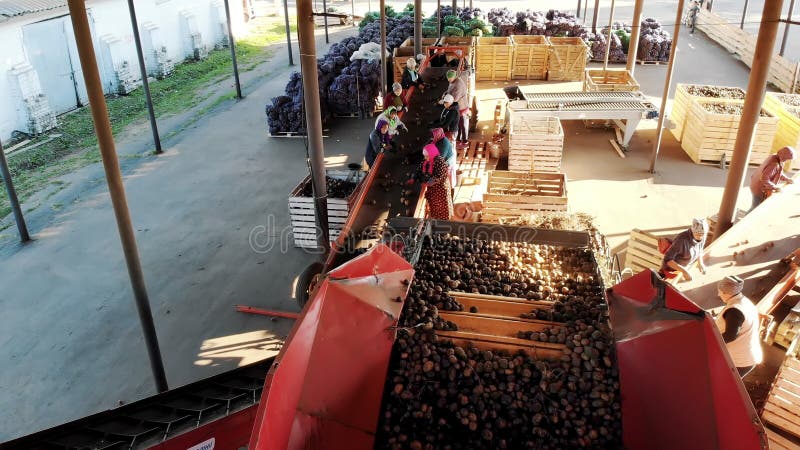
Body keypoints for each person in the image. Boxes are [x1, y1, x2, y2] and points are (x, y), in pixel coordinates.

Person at [715, 276, 763, 377]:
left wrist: (711, 342)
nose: (718, 294)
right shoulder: (744, 301)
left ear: (726, 292)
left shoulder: (735, 311)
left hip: (739, 362)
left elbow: (730, 335)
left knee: (722, 385)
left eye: (720, 291)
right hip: (747, 355)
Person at [407, 144, 453, 220]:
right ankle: (436, 219)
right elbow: (419, 170)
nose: (425, 158)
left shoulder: (440, 161)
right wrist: (413, 178)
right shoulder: (426, 161)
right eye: (424, 156)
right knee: (434, 206)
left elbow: (438, 176)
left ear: (432, 153)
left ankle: (445, 222)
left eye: (426, 156)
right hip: (432, 189)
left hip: (441, 188)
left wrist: (428, 183)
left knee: (443, 206)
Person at [749, 146, 796, 211]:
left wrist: (786, 179)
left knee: (756, 205)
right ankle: (745, 220)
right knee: (755, 208)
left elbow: (777, 172)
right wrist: (775, 187)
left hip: (755, 182)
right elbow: (764, 179)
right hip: (759, 187)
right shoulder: (774, 164)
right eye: (787, 159)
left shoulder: (775, 156)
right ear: (783, 157)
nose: (787, 160)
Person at [442, 70, 469, 145]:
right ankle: (458, 140)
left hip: (462, 106)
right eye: (448, 78)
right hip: (456, 105)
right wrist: (445, 94)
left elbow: (455, 98)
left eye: (450, 78)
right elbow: (449, 91)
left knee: (462, 124)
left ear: (454, 76)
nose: (448, 80)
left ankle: (465, 141)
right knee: (457, 123)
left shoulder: (459, 84)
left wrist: (446, 100)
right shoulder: (452, 81)